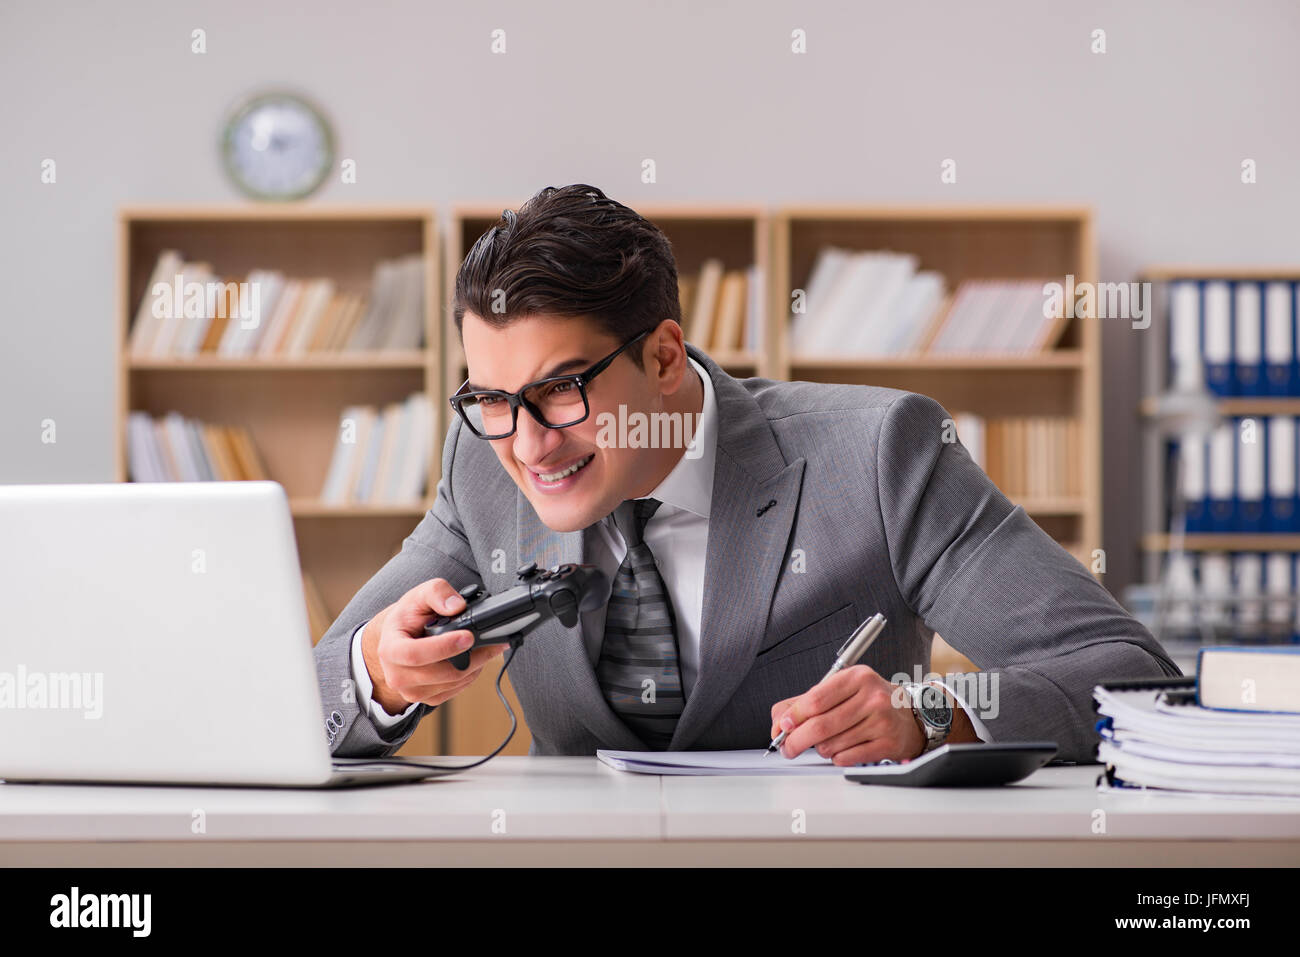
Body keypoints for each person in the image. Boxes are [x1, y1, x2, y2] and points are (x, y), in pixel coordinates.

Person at [313, 183, 1181, 765]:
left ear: (662, 356)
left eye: (561, 391)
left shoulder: (881, 452)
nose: (529, 444)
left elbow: (1131, 680)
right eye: (494, 398)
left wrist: (931, 712)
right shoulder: (483, 462)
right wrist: (381, 676)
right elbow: (304, 697)